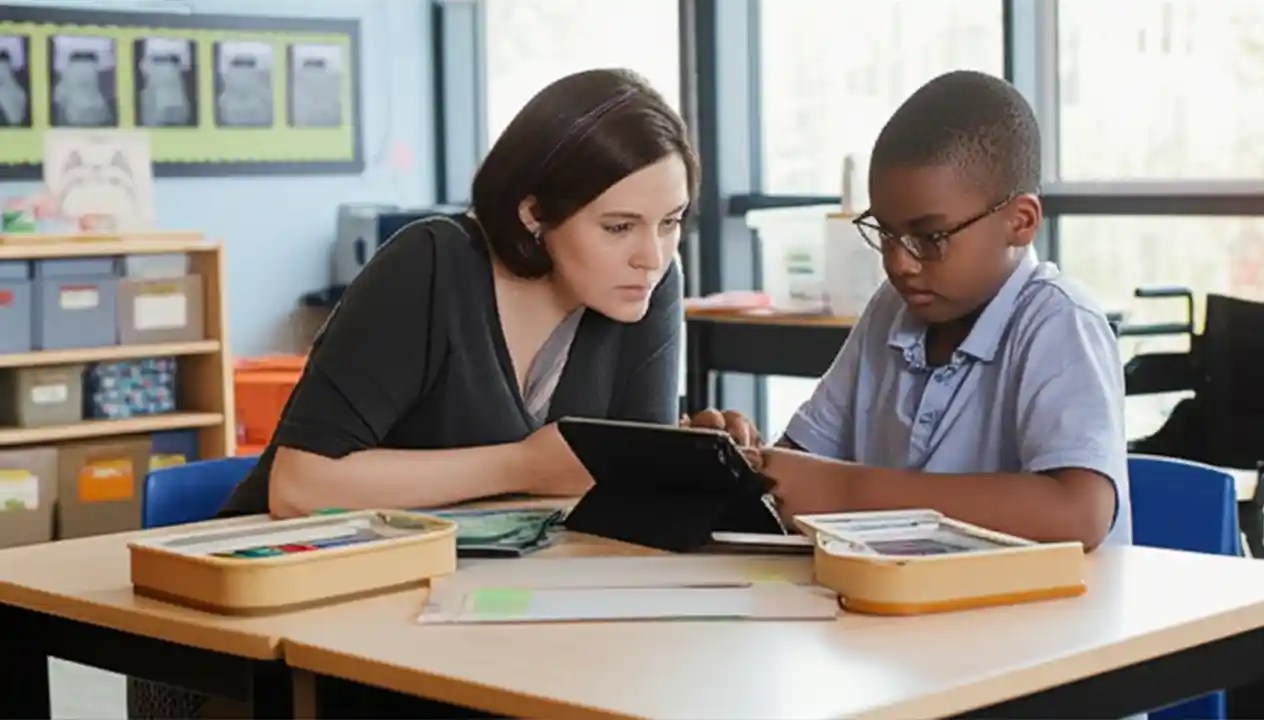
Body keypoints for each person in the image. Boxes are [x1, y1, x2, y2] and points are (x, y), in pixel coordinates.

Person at [129, 67, 695, 718]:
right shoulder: (432, 266)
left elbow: (627, 490)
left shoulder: (645, 287)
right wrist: (521, 465)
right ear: (534, 212)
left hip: (461, 622)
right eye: (618, 227)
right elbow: (300, 485)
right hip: (262, 643)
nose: (651, 255)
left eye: (671, 222)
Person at [690, 69, 1130, 552]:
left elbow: (1077, 513)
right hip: (901, 615)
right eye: (886, 233)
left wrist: (849, 492)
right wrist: (740, 462)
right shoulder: (889, 311)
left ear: (1020, 222)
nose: (899, 262)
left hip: (1049, 622)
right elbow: (803, 465)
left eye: (930, 237)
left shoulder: (1059, 321)